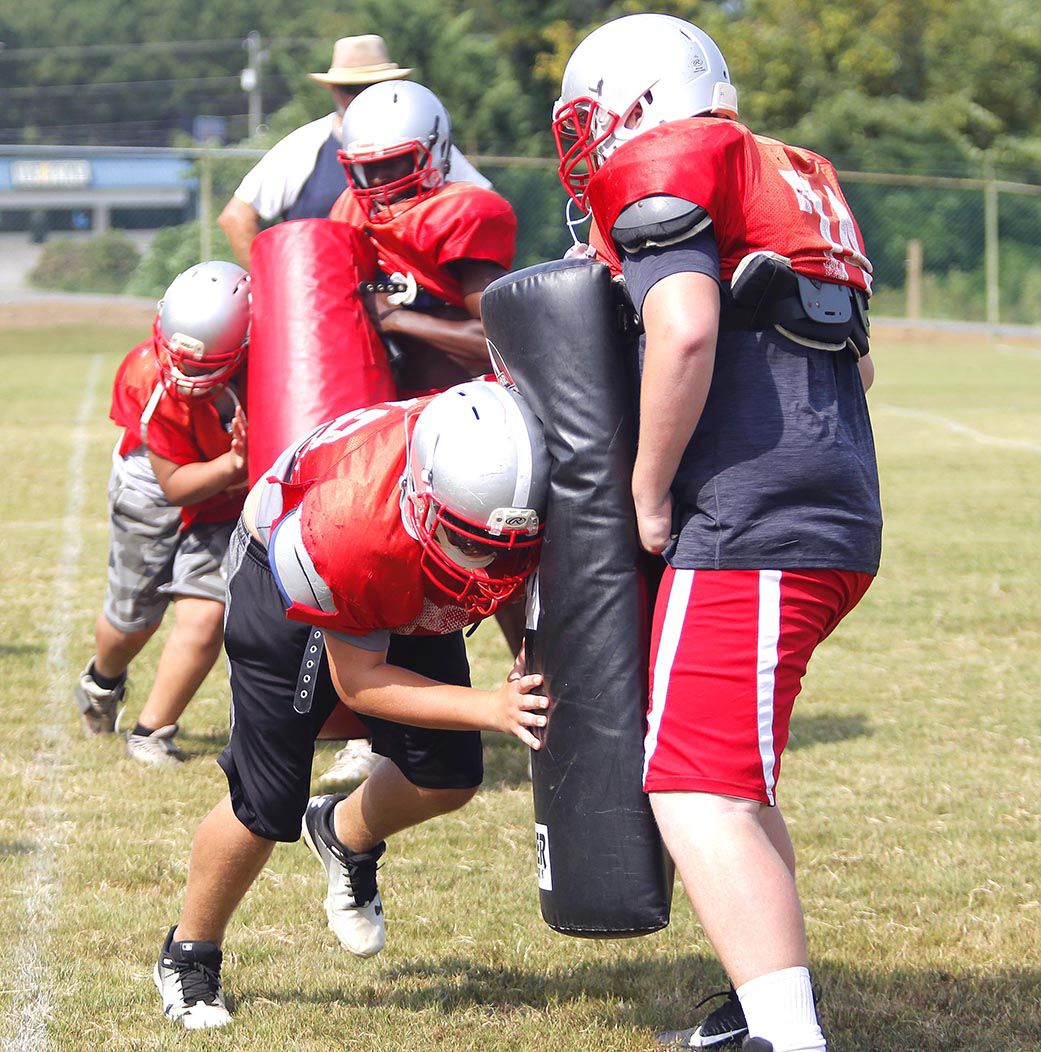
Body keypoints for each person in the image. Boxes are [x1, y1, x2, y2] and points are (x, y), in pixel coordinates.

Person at [551, 14, 882, 1052]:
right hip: (821, 504)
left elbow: (688, 326)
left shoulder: (670, 160)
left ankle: (788, 1034)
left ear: (639, 101)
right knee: (727, 776)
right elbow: (862, 368)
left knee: (694, 785)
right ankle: (770, 1002)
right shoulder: (789, 173)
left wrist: (648, 487)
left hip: (759, 516)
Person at [153, 379, 551, 1030]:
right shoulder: (346, 533)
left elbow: (513, 566)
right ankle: (189, 952)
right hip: (295, 573)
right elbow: (361, 680)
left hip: (408, 554)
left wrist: (530, 643)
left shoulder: (511, 455)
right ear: (421, 495)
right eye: (468, 542)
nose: (481, 564)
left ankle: (342, 834)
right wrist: (491, 706)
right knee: (267, 799)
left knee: (445, 778)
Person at [311, 77, 524, 789]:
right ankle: (379, 728)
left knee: (508, 576)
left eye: (390, 167)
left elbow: (506, 337)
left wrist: (396, 318)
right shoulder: (350, 213)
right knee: (387, 583)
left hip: (474, 425)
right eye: (362, 170)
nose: (374, 185)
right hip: (395, 434)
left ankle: (550, 704)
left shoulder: (458, 217)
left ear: (431, 156)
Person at [75, 261, 251, 765]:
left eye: (205, 364)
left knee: (208, 609)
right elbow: (175, 485)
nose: (189, 374)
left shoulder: (275, 360)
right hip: (159, 479)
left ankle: (151, 731)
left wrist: (239, 468)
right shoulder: (145, 373)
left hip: (231, 487)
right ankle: (103, 683)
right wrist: (235, 462)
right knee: (135, 615)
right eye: (182, 359)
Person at [218, 34, 490, 270]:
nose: (361, 98)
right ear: (333, 89)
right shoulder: (304, 145)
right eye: (351, 89)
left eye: (371, 87)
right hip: (322, 305)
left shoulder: (424, 141)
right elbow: (236, 217)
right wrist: (278, 288)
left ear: (391, 86)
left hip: (410, 299)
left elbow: (482, 204)